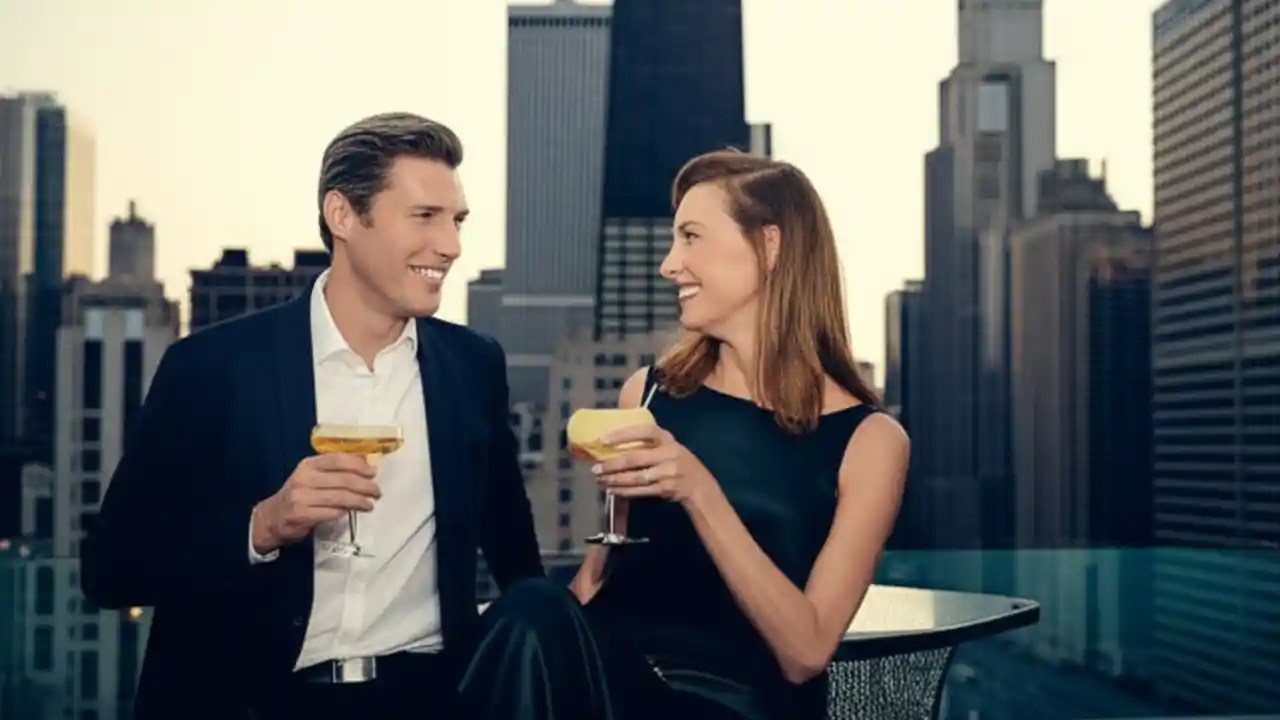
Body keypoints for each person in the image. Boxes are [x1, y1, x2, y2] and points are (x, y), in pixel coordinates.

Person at [80, 112, 544, 719]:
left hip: (427, 702)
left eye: (456, 221)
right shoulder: (213, 368)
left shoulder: (473, 366)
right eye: (424, 217)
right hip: (249, 703)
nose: (451, 245)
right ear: (343, 215)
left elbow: (513, 552)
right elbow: (112, 569)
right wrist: (263, 526)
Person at [456, 149, 910, 719]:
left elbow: (806, 651)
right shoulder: (645, 396)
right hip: (608, 684)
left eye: (691, 237)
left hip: (730, 704)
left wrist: (700, 492)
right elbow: (601, 580)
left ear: (771, 247)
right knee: (526, 611)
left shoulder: (869, 440)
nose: (670, 264)